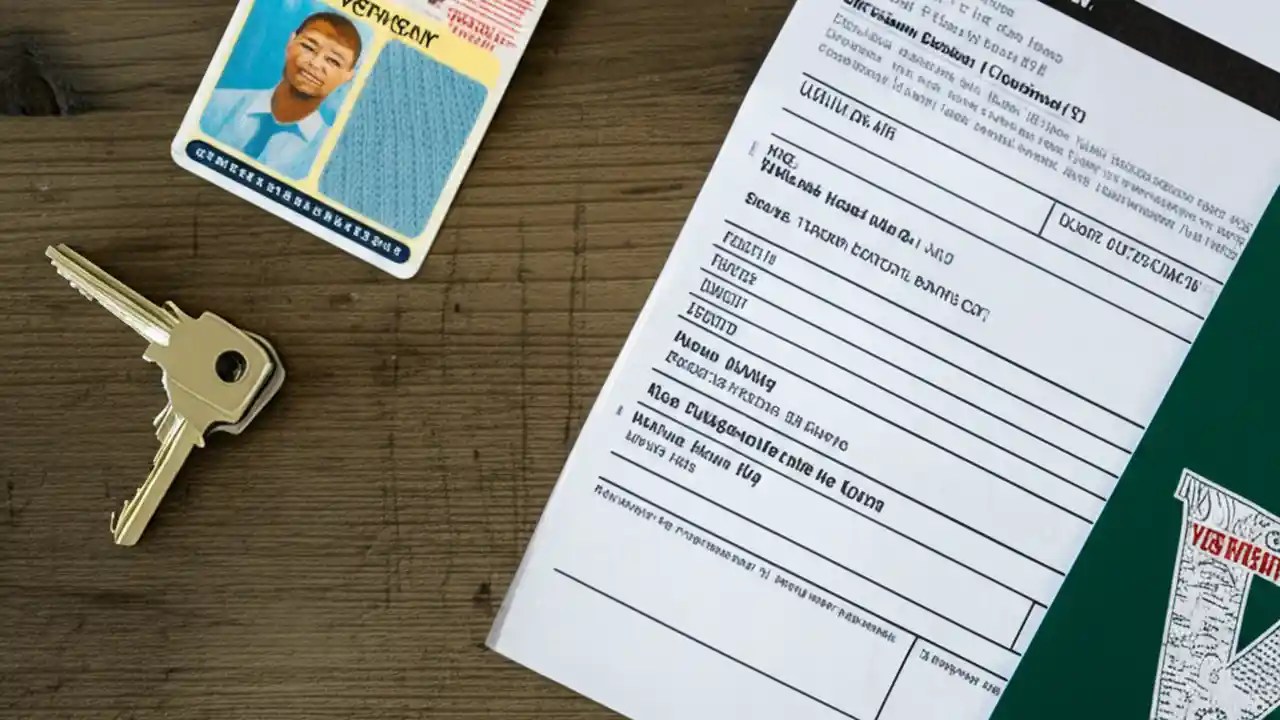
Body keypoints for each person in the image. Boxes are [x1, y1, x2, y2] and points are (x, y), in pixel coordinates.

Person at [202, 12, 363, 179]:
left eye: (333, 61)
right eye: (308, 47)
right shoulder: (214, 103)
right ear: (291, 42)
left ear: (348, 76)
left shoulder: (333, 154)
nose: (315, 64)